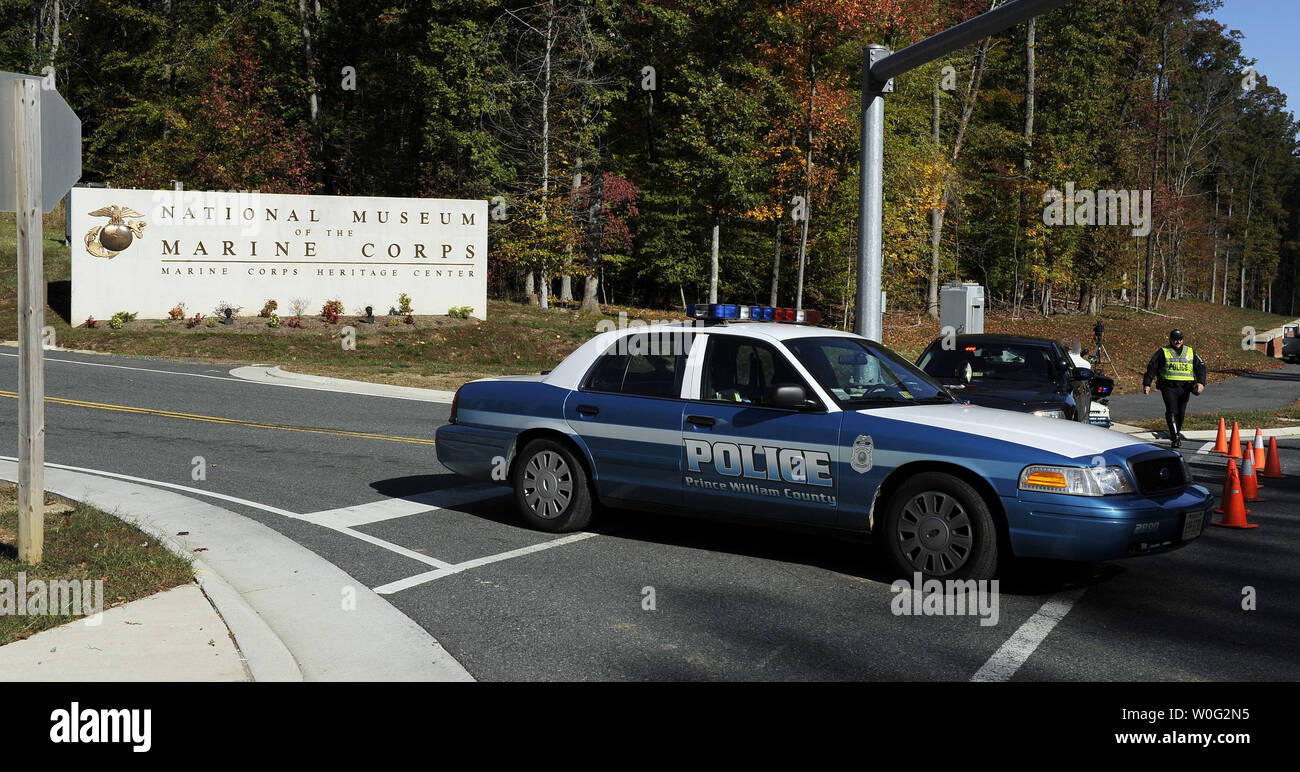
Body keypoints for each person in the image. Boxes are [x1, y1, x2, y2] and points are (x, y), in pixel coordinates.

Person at [1143, 329, 1206, 448]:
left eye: (1180, 339)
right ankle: (1175, 437)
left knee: (1181, 413)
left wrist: (1201, 382)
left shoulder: (1190, 351)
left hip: (1185, 387)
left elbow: (1201, 367)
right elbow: (1152, 367)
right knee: (1171, 410)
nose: (1178, 341)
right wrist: (1147, 384)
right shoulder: (1163, 351)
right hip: (1168, 386)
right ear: (1170, 339)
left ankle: (1176, 431)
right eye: (1175, 339)